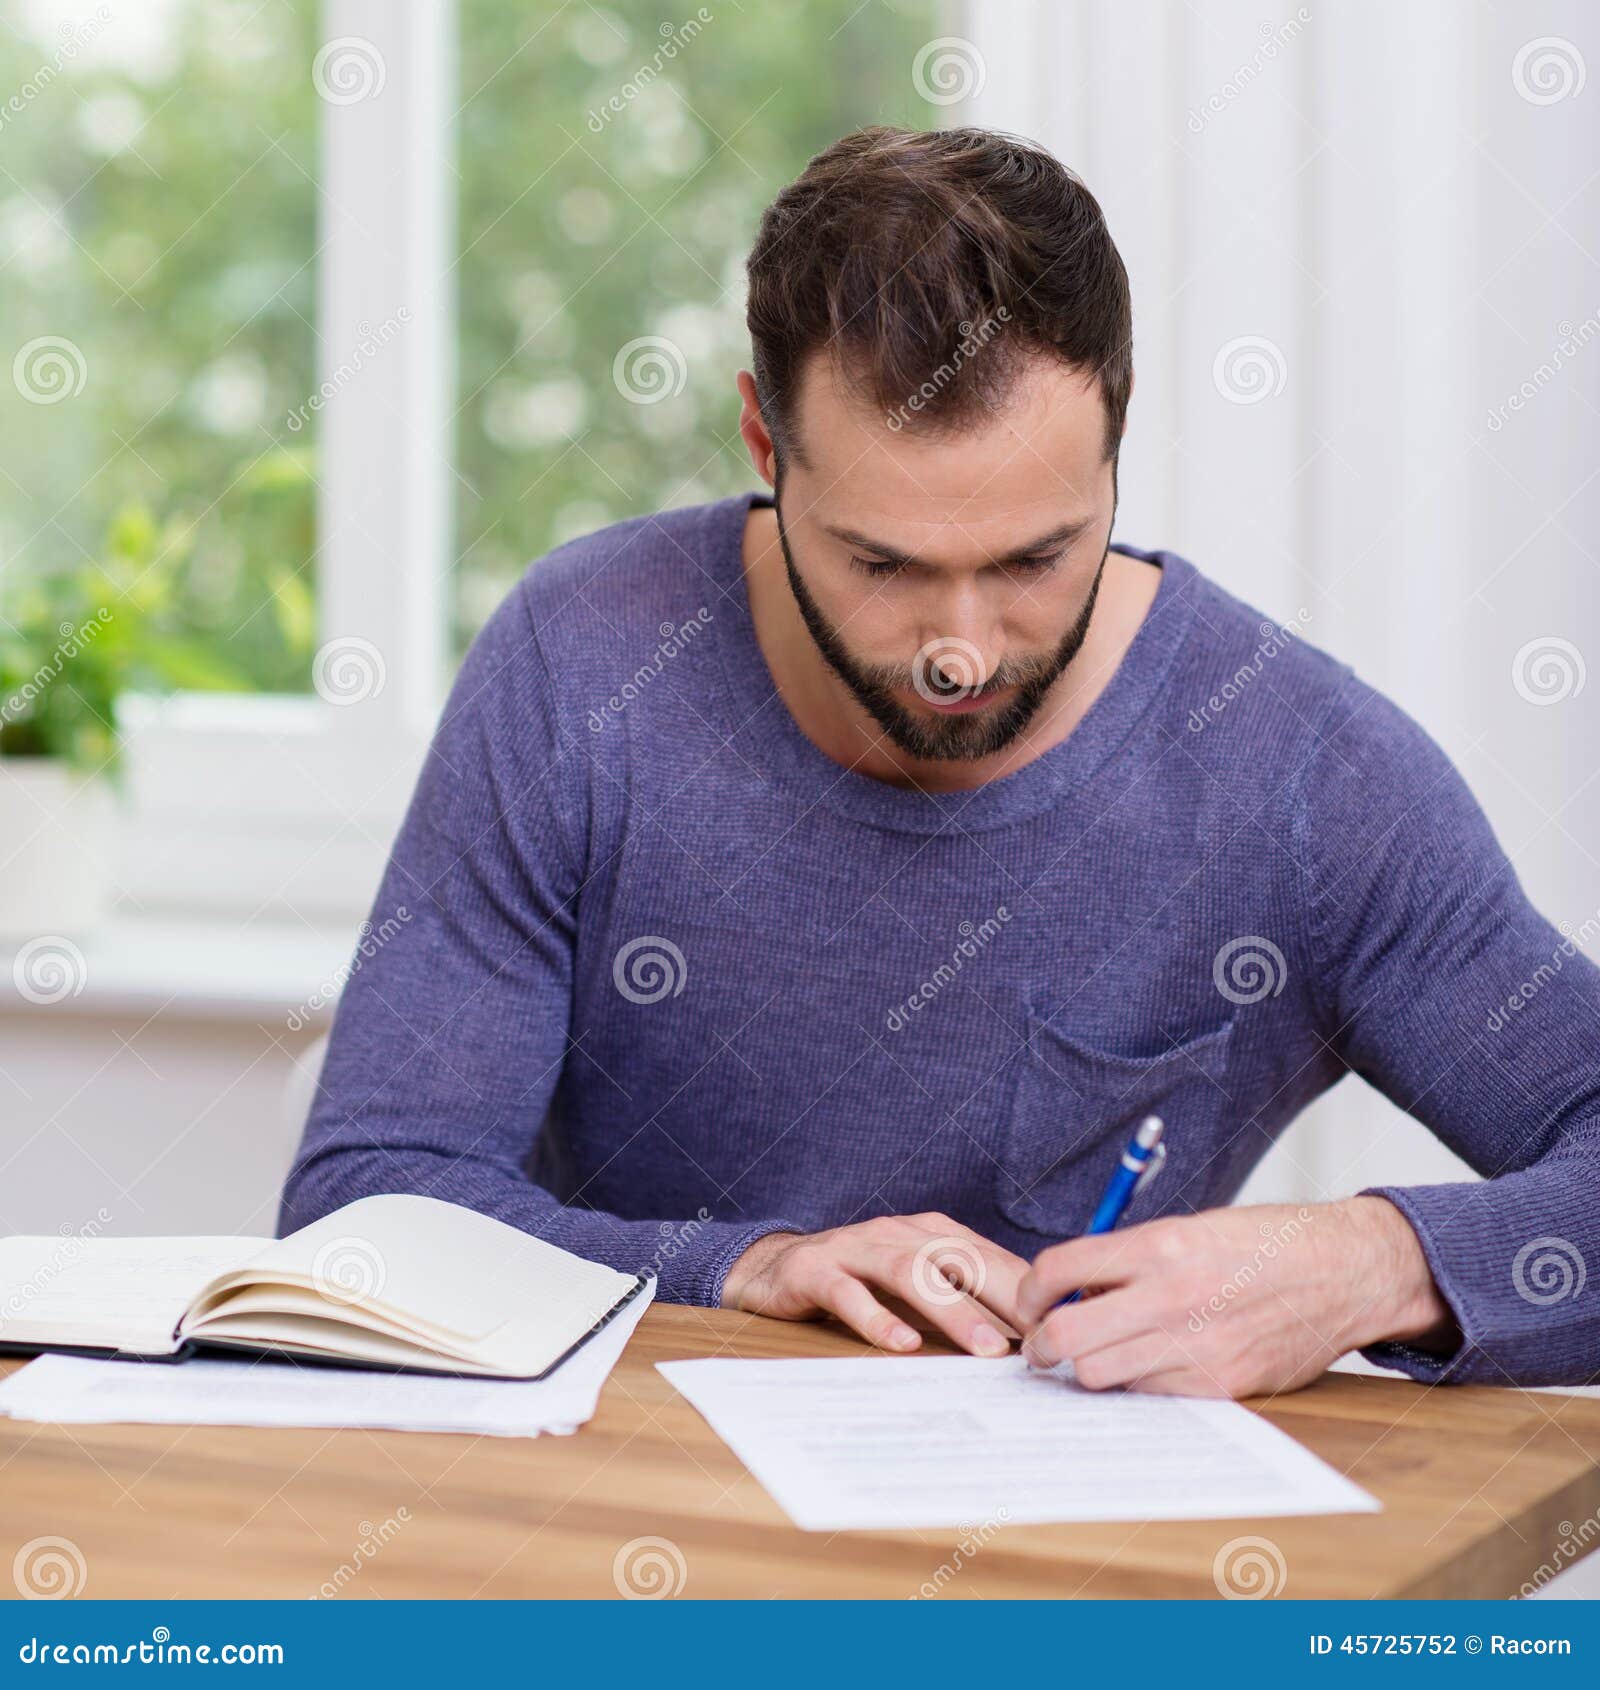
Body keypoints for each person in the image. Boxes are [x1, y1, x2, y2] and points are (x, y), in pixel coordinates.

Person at [280, 125, 1599, 1395]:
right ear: (763, 445)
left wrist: (1376, 1264)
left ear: (1117, 449)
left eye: (1033, 559)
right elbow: (370, 1203)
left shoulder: (1306, 773)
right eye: (883, 564)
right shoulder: (582, 666)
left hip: (1058, 1578)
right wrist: (744, 1266)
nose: (960, 651)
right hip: (614, 1544)